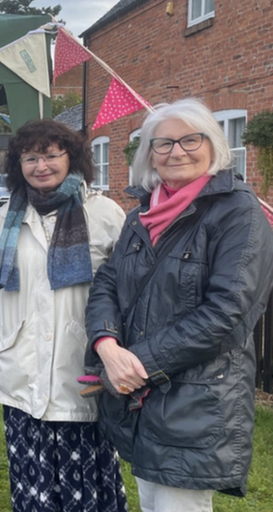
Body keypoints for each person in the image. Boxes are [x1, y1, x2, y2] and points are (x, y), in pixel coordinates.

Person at [86, 98, 273, 512]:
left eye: (190, 139)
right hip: (140, 398)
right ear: (150, 154)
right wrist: (106, 344)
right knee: (153, 503)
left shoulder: (238, 212)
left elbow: (226, 312)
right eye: (163, 143)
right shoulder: (142, 215)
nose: (177, 151)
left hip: (195, 400)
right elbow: (108, 282)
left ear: (214, 145)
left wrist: (136, 363)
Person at [0, 119, 128, 512]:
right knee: (31, 484)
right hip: (21, 367)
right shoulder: (4, 218)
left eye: (50, 155)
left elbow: (129, 292)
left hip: (82, 367)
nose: (40, 165)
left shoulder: (105, 214)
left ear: (71, 157)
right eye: (30, 157)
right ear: (17, 164)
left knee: (88, 485)